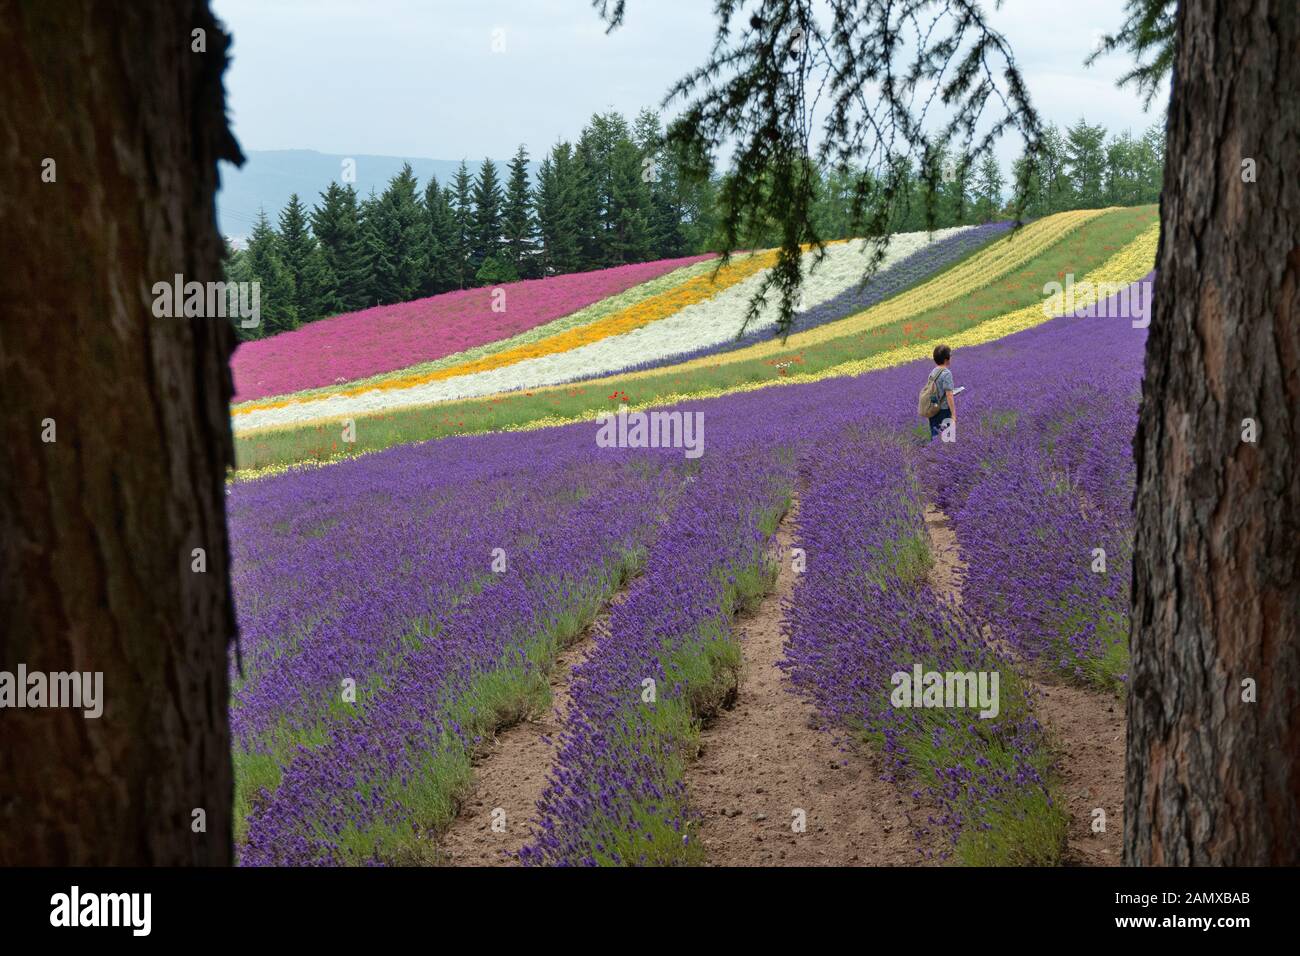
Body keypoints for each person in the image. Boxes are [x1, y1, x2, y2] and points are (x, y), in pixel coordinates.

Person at [927, 344, 956, 440]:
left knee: (935, 437)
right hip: (944, 410)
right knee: (947, 439)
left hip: (933, 410)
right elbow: (949, 395)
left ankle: (933, 454)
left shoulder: (932, 373)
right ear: (946, 359)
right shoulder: (946, 373)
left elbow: (931, 392)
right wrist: (953, 414)